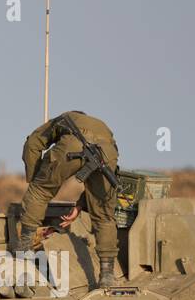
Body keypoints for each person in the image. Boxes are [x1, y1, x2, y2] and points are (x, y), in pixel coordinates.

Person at [17, 111, 120, 288]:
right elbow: (101, 178)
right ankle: (107, 274)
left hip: (71, 147)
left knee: (39, 192)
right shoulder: (102, 126)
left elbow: (32, 143)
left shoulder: (61, 120)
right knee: (104, 215)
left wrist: (35, 179)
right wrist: (81, 205)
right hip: (106, 153)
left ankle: (24, 247)